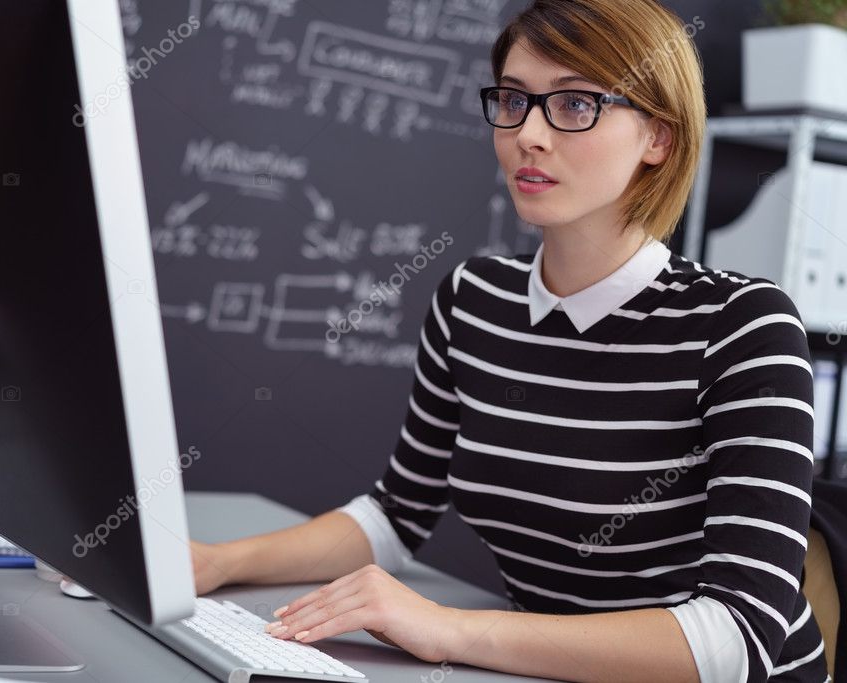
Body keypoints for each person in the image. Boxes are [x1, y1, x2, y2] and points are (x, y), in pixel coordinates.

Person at [190, 1, 829, 681]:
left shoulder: (743, 326)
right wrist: (219, 561)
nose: (529, 133)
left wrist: (452, 629)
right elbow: (395, 515)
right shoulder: (474, 299)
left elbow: (738, 636)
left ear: (659, 138)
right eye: (514, 99)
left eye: (576, 104)